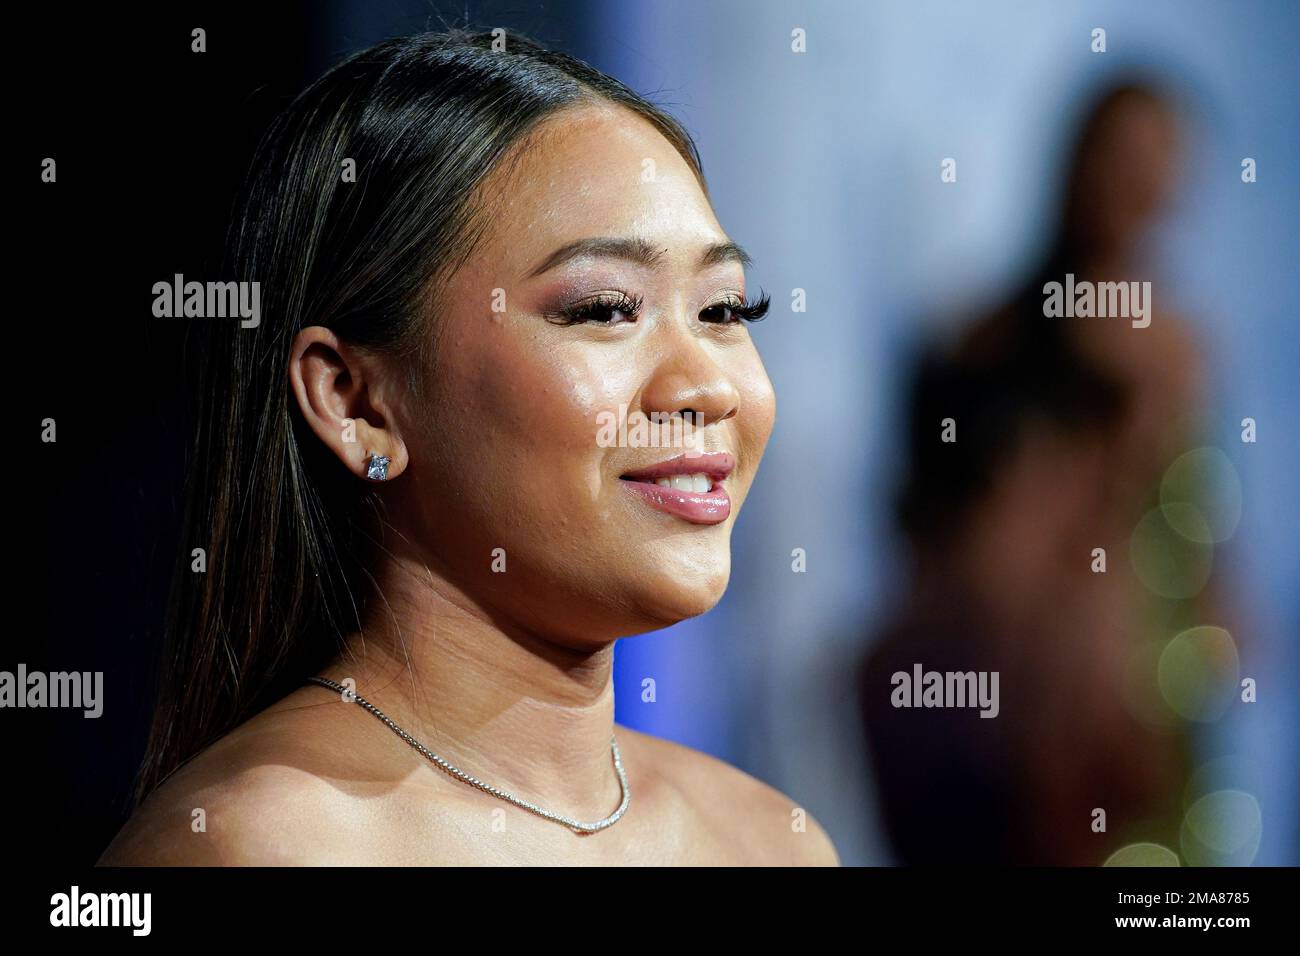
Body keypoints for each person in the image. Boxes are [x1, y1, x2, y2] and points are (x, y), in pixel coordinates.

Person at [101, 30, 837, 866]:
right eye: (603, 308)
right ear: (354, 400)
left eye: (725, 311)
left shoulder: (768, 839)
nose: (706, 387)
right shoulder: (262, 844)